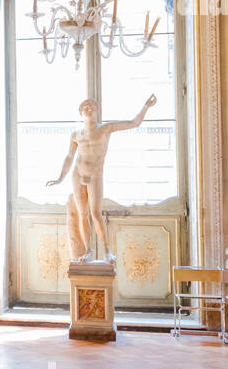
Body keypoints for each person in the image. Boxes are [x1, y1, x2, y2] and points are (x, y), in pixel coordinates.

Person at [47, 94, 156, 262]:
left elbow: (134, 123)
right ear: (81, 113)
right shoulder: (76, 134)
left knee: (96, 214)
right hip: (78, 173)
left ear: (97, 111)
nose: (89, 109)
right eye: (85, 108)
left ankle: (107, 251)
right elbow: (69, 157)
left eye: (91, 107)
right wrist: (60, 178)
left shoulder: (105, 129)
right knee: (83, 214)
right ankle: (88, 251)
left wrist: (146, 107)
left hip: (95, 174)